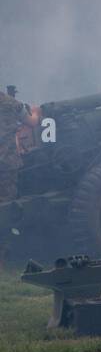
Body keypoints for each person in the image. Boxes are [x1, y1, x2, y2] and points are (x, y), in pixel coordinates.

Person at [0, 84, 40, 271]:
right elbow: (32, 122)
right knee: (5, 209)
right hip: (6, 164)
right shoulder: (11, 104)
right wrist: (35, 111)